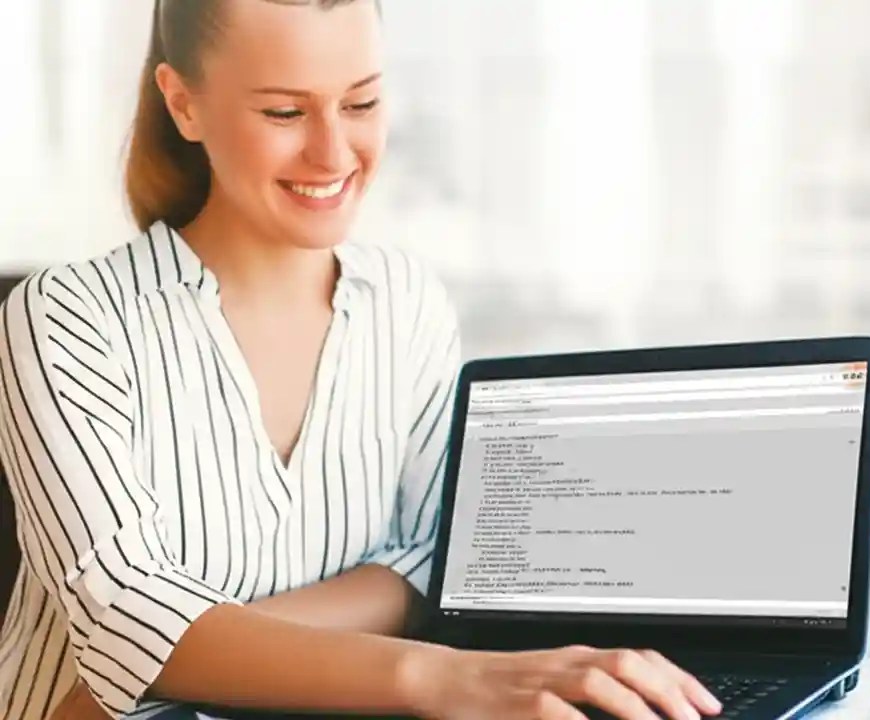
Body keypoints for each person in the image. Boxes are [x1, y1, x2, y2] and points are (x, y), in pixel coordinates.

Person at [0, 2, 722, 719]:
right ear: (184, 104)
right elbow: (125, 612)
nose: (334, 153)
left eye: (362, 103)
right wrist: (439, 675)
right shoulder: (67, 316)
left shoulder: (406, 301)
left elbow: (443, 558)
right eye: (285, 113)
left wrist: (186, 657)